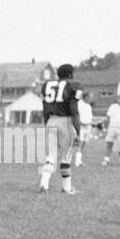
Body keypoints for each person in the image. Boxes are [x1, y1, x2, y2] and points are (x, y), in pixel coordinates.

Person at [38, 64, 81, 193]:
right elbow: (74, 111)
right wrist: (78, 130)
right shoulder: (73, 86)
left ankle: (44, 183)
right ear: (70, 74)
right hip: (65, 121)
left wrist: (47, 122)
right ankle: (66, 187)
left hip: (51, 120)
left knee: (50, 155)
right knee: (66, 156)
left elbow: (45, 107)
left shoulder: (47, 85)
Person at [74, 89, 93, 167]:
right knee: (80, 143)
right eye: (90, 97)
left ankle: (79, 160)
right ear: (86, 97)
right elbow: (76, 115)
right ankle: (76, 161)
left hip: (88, 126)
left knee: (83, 144)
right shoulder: (79, 104)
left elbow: (90, 117)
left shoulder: (88, 106)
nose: (91, 99)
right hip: (81, 126)